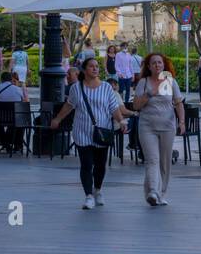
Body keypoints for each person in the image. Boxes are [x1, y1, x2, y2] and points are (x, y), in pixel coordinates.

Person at [50, 55, 129, 209]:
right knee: (86, 164)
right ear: (84, 70)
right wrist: (57, 119)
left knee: (100, 165)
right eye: (91, 66)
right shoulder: (76, 88)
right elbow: (69, 105)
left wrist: (121, 121)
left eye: (97, 66)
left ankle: (98, 189)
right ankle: (88, 195)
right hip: (82, 131)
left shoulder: (106, 87)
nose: (95, 68)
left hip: (102, 132)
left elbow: (114, 108)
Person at [132, 53, 186, 206]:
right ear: (148, 66)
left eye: (160, 63)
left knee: (165, 161)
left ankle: (161, 193)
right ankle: (152, 192)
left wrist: (181, 122)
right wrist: (149, 93)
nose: (157, 65)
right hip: (147, 126)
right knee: (152, 160)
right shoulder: (143, 82)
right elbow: (136, 106)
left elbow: (178, 103)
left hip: (168, 126)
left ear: (164, 65)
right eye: (154, 63)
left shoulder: (170, 81)